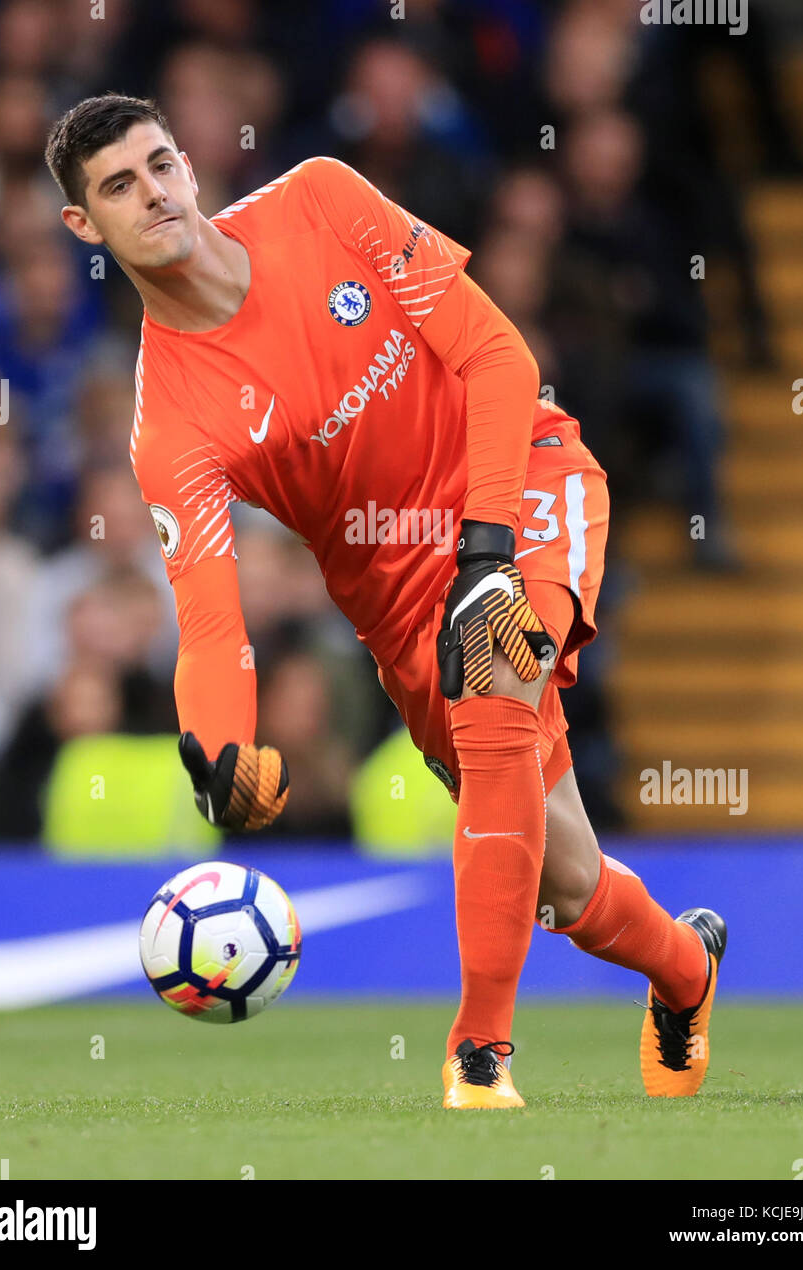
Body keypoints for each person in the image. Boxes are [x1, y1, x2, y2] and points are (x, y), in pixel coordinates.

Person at [45, 93, 725, 1109]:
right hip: (402, 605)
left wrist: (488, 546)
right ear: (84, 227)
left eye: (158, 165)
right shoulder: (169, 425)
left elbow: (499, 357)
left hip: (521, 481)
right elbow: (214, 621)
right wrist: (220, 751)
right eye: (117, 188)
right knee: (566, 879)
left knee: (493, 672)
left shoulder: (321, 201)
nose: (151, 194)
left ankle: (479, 1056)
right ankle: (685, 968)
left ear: (187, 165)